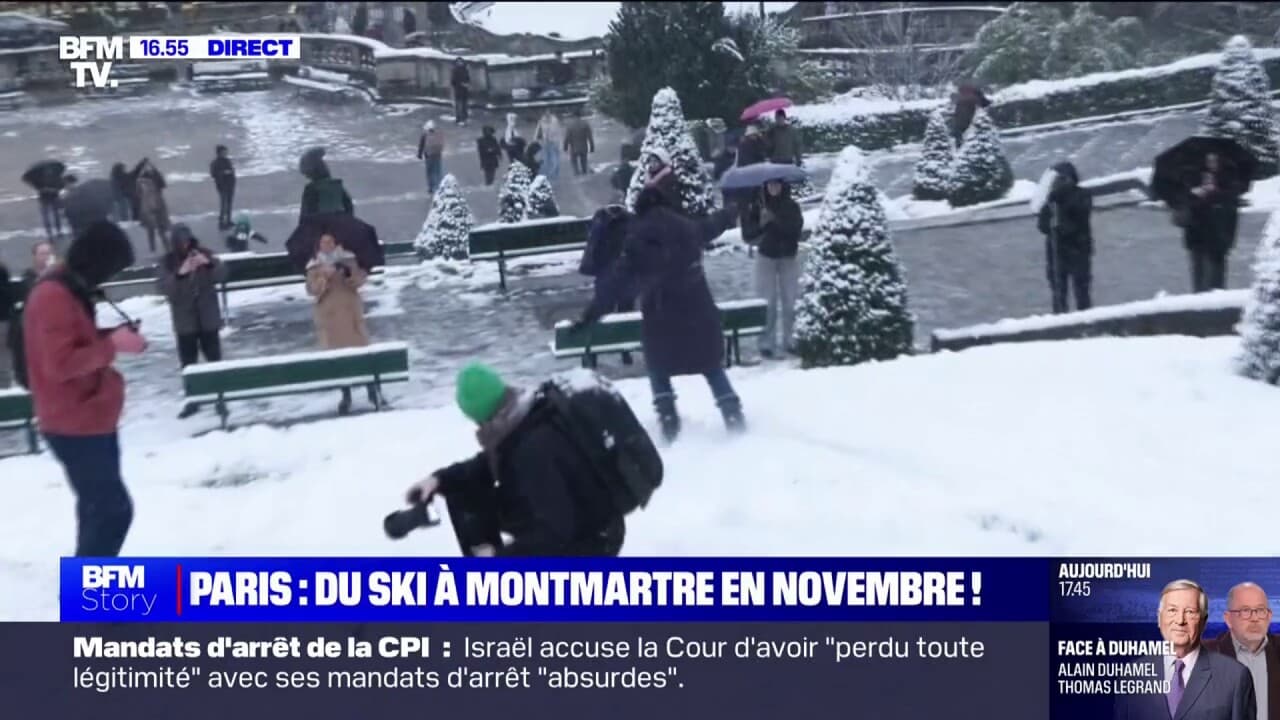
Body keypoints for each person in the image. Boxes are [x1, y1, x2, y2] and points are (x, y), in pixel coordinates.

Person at [402, 363, 626, 557]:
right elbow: (483, 467)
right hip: (579, 515)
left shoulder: (531, 449)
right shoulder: (519, 416)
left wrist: (501, 557)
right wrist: (437, 480)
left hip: (594, 540)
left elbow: (557, 530)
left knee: (489, 511)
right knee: (464, 492)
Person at [574, 186, 744, 442]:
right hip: (698, 312)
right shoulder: (688, 228)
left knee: (658, 368)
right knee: (710, 365)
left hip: (662, 317)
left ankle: (668, 422)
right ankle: (732, 414)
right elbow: (712, 224)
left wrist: (590, 316)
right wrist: (731, 212)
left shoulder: (636, 239)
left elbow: (615, 286)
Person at [22, 221, 146, 557]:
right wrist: (113, 345)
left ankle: (86, 597)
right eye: (111, 269)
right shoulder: (52, 295)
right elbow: (59, 363)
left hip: (89, 416)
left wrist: (112, 336)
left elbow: (76, 343)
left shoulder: (67, 288)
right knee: (113, 513)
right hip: (73, 422)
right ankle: (90, 599)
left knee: (95, 512)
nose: (108, 278)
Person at [1116, 579, 1256, 720]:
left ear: (1203, 621)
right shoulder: (1131, 676)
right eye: (1172, 610)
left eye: (1190, 612)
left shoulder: (1235, 677)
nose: (1180, 620)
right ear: (1159, 618)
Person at [305, 232, 380, 415]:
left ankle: (372, 390)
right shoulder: (314, 266)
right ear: (319, 245)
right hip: (330, 319)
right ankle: (346, 396)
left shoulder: (349, 259)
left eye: (330, 241)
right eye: (323, 242)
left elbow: (359, 280)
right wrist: (324, 278)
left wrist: (347, 274)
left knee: (361, 354)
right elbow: (312, 290)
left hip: (350, 314)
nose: (327, 245)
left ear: (336, 243)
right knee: (339, 359)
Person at [159, 225, 227, 419]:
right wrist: (180, 274)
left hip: (207, 318)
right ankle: (193, 400)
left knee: (214, 360)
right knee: (189, 364)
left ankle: (219, 397)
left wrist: (208, 264)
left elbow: (222, 275)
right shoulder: (167, 262)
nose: (186, 246)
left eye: (188, 242)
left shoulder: (204, 254)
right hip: (185, 322)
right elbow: (165, 288)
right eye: (182, 243)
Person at [742, 180, 804, 357]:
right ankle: (766, 342)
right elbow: (748, 234)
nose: (773, 188)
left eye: (777, 184)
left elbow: (795, 230)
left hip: (787, 257)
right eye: (770, 185)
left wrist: (773, 222)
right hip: (766, 256)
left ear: (782, 186)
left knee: (791, 300)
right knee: (767, 301)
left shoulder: (792, 206)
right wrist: (760, 224)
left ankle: (791, 339)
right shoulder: (759, 206)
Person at [1207, 583, 1278, 720]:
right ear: (1228, 619)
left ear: (1269, 616)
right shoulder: (1206, 656)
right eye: (1245, 611)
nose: (1254, 618)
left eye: (1260, 610)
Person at [578, 204, 634, 366]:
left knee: (600, 311)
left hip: (605, 277)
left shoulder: (601, 224)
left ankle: (593, 352)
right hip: (627, 277)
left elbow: (593, 251)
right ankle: (625, 351)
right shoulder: (630, 223)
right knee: (626, 311)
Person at [1181, 152, 1244, 293]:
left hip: (1218, 238)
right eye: (1208, 159)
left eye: (1215, 160)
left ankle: (1215, 306)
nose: (1211, 163)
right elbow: (1183, 204)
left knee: (1216, 279)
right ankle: (1198, 304)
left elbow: (1231, 207)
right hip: (1196, 236)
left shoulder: (1229, 179)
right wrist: (1194, 195)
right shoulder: (1192, 177)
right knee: (1199, 276)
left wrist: (1214, 193)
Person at [1037, 161, 1093, 314]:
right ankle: (1060, 319)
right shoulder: (1050, 200)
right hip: (1056, 252)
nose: (1058, 183)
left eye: (1061, 179)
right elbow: (1042, 226)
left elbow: (1077, 219)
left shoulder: (1082, 194)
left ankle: (1085, 319)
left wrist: (1059, 215)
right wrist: (1049, 216)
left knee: (1081, 290)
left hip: (1078, 249)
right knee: (1058, 291)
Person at [5, 241, 55, 388]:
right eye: (42, 253)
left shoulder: (62, 277)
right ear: (35, 257)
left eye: (49, 253)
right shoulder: (27, 281)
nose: (46, 257)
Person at [299, 159, 354, 223]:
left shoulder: (310, 188)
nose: (306, 176)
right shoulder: (337, 186)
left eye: (306, 174)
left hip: (320, 225)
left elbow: (306, 212)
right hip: (339, 222)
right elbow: (349, 206)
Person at [135, 158, 172, 255]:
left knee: (150, 229)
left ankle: (152, 249)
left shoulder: (139, 181)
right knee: (161, 229)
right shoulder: (156, 178)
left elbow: (138, 194)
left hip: (146, 205)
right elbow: (163, 185)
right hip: (158, 203)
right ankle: (167, 248)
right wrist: (155, 169)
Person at [32, 168, 65, 243]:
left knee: (50, 217)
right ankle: (56, 233)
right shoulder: (56, 178)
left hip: (47, 199)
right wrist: (51, 189)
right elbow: (61, 186)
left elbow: (60, 187)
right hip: (50, 199)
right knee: (53, 217)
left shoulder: (38, 179)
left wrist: (48, 189)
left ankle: (52, 234)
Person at [210, 145, 236, 230]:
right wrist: (224, 173)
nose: (226, 153)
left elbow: (232, 171)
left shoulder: (227, 161)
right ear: (219, 153)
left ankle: (228, 220)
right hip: (222, 186)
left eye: (226, 152)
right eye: (224, 152)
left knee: (229, 204)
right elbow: (213, 174)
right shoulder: (215, 163)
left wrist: (231, 175)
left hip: (230, 185)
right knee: (223, 205)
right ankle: (221, 223)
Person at [417, 120, 445, 195]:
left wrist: (419, 154)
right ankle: (439, 186)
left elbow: (421, 145)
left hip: (428, 155)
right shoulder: (438, 133)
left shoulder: (425, 134)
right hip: (437, 154)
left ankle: (431, 188)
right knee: (438, 171)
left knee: (430, 172)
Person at [564, 109, 595, 176]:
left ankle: (576, 172)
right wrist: (592, 147)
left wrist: (565, 147)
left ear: (573, 116)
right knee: (583, 160)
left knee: (574, 160)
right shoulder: (585, 124)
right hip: (583, 146)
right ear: (580, 115)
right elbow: (590, 137)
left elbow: (567, 137)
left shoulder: (570, 125)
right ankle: (584, 171)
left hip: (574, 147)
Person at [534, 109, 563, 181]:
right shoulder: (545, 120)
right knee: (550, 159)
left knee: (551, 159)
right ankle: (552, 174)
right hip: (548, 142)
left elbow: (557, 131)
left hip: (551, 142)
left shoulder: (549, 120)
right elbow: (538, 131)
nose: (547, 114)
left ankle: (551, 174)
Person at [450, 57, 470, 125]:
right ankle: (459, 118)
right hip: (458, 90)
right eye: (458, 62)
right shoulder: (455, 70)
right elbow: (453, 81)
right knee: (459, 105)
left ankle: (464, 117)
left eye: (461, 62)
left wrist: (467, 83)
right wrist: (461, 83)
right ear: (456, 63)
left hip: (465, 90)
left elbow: (468, 78)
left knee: (465, 104)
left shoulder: (465, 69)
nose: (460, 63)